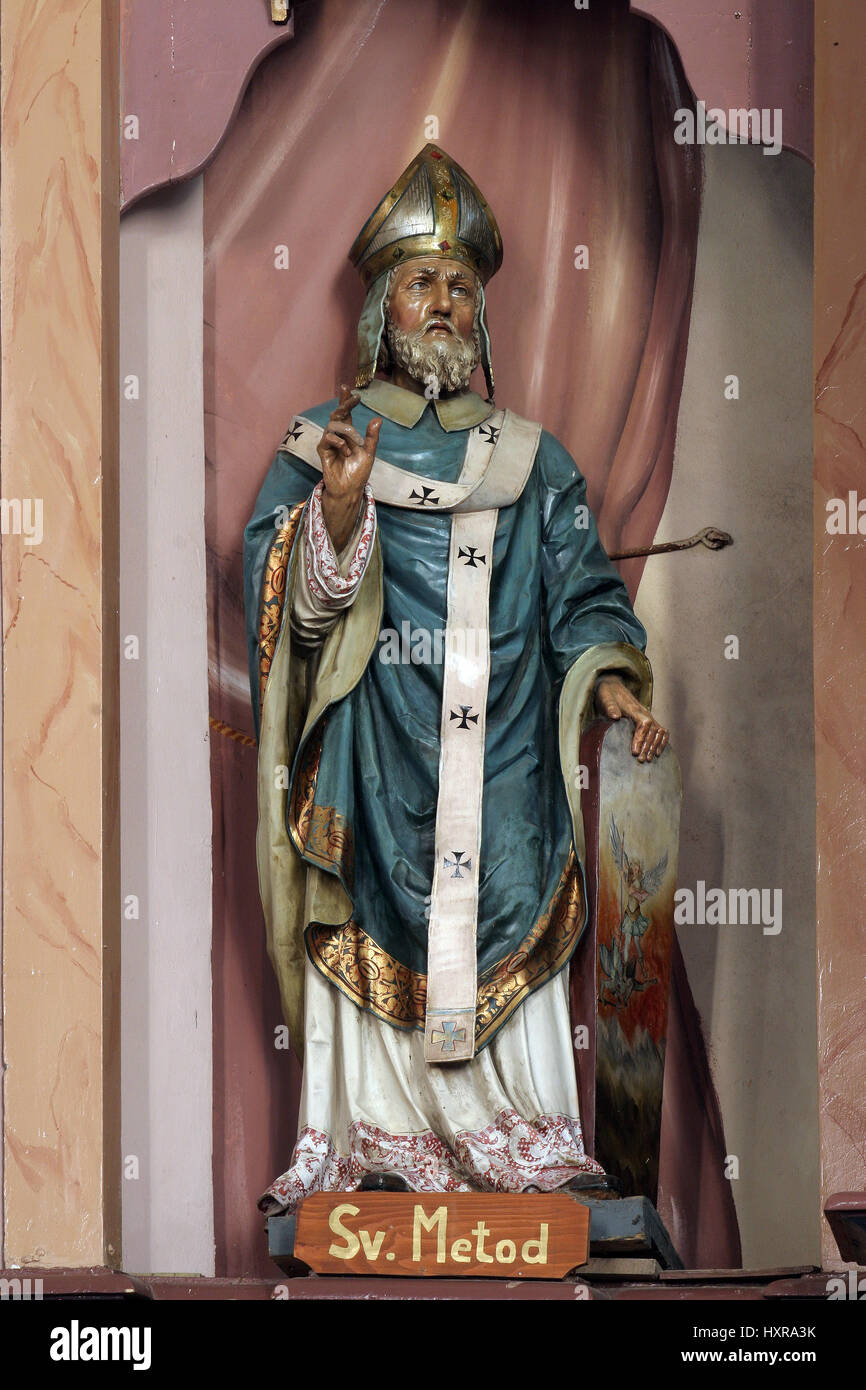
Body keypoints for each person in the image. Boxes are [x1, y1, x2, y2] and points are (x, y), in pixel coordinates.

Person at [243, 145, 668, 1213]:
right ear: (383, 304)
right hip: (373, 745)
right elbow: (278, 602)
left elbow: (577, 585)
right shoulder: (322, 444)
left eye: (462, 287)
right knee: (371, 907)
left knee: (510, 890)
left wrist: (608, 677)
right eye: (424, 281)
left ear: (480, 319)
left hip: (508, 755)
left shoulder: (532, 459)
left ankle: (522, 1141)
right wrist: (337, 518)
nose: (444, 302)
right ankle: (375, 1141)